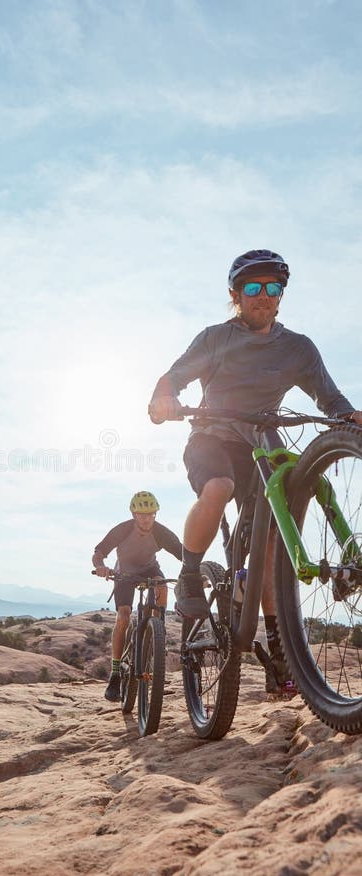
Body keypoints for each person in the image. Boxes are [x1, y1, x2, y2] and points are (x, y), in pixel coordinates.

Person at [148, 248, 362, 697]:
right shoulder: (215, 338)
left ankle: (280, 650)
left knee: (269, 543)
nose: (263, 294)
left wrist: (351, 418)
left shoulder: (298, 348)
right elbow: (174, 378)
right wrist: (163, 398)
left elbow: (331, 401)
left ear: (281, 295)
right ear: (235, 295)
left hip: (263, 445)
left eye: (273, 287)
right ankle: (190, 573)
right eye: (252, 287)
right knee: (218, 486)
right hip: (212, 437)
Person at [92, 490, 182, 701]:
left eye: (150, 514)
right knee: (123, 617)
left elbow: (183, 554)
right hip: (124, 571)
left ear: (155, 514)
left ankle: (156, 633)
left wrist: (196, 572)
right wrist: (101, 566)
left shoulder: (161, 532)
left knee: (162, 586)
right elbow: (99, 552)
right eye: (142, 514)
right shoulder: (123, 529)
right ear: (134, 514)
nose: (146, 518)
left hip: (150, 569)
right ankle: (115, 673)